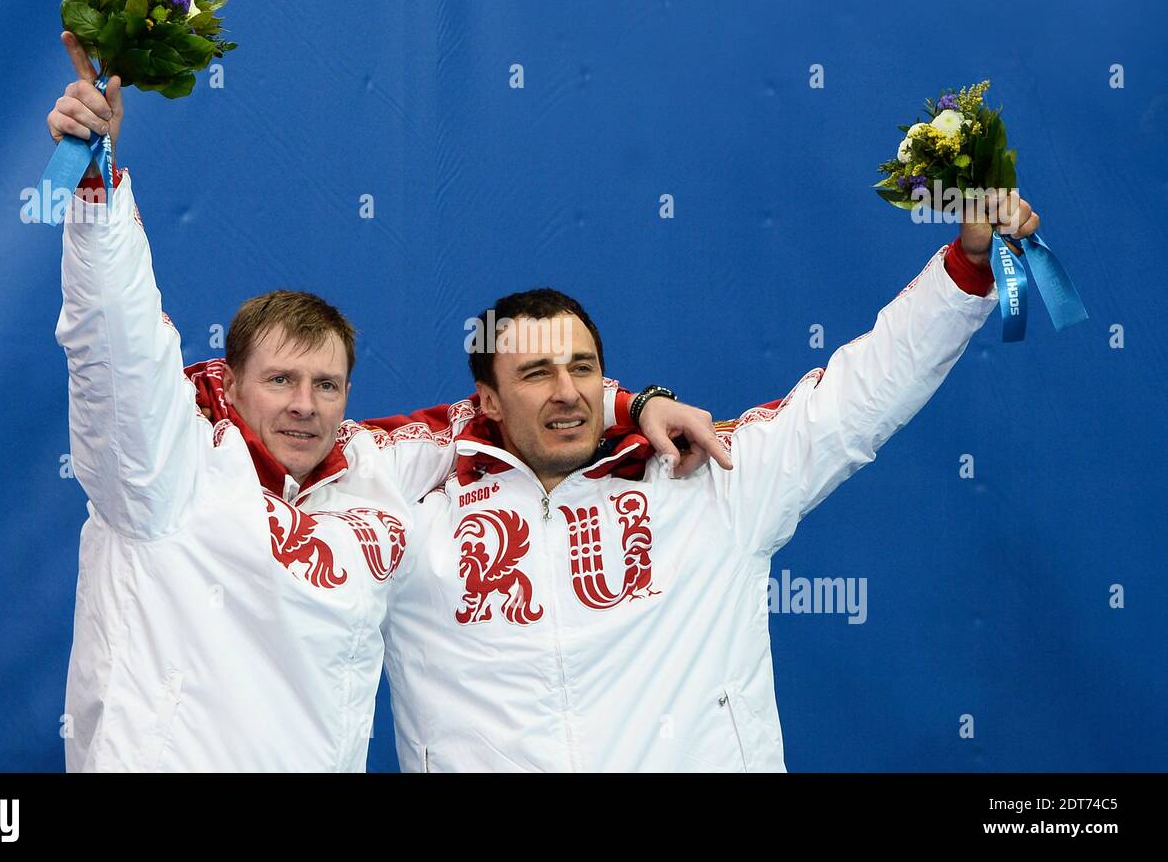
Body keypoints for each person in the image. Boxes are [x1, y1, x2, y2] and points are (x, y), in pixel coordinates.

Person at [46, 32, 723, 771]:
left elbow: (503, 408)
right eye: (280, 381)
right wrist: (97, 182)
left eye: (327, 385)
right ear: (232, 388)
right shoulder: (162, 472)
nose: (305, 405)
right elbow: (115, 340)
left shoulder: (377, 468)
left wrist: (630, 404)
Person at [381, 196, 1042, 771]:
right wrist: (627, 403)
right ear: (487, 402)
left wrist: (968, 269)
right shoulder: (409, 518)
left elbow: (853, 401)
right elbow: (314, 443)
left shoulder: (705, 475)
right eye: (534, 374)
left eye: (583, 369)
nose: (567, 393)